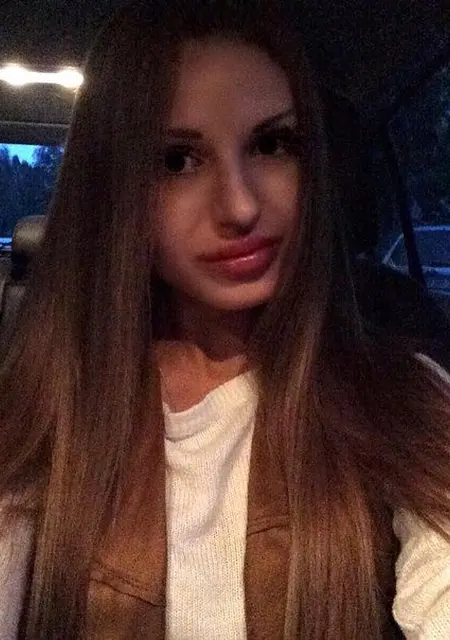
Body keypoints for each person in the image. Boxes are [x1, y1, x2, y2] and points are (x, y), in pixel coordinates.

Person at [0, 0, 450, 638]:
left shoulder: (405, 396)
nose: (239, 206)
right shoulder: (44, 406)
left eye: (271, 144)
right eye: (177, 161)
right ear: (117, 188)